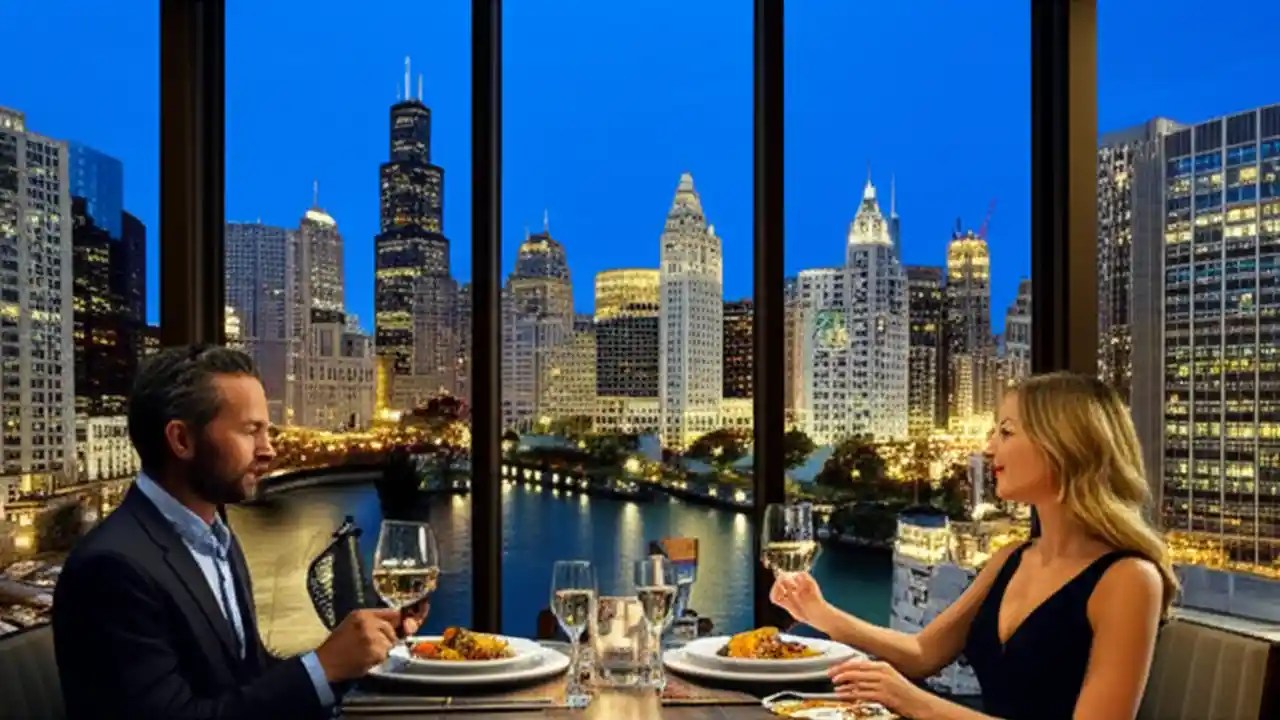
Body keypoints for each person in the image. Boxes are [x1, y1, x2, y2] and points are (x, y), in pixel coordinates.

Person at [771, 372, 1177, 720]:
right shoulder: (1012, 559)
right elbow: (921, 652)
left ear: (1064, 445)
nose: (988, 448)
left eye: (1006, 431)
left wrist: (919, 704)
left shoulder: (1128, 579)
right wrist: (819, 613)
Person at [53, 345, 428, 720]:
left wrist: (350, 657)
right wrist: (322, 666)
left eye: (267, 431)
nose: (268, 450)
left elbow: (247, 682)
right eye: (251, 431)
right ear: (181, 440)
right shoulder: (111, 569)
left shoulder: (215, 538)